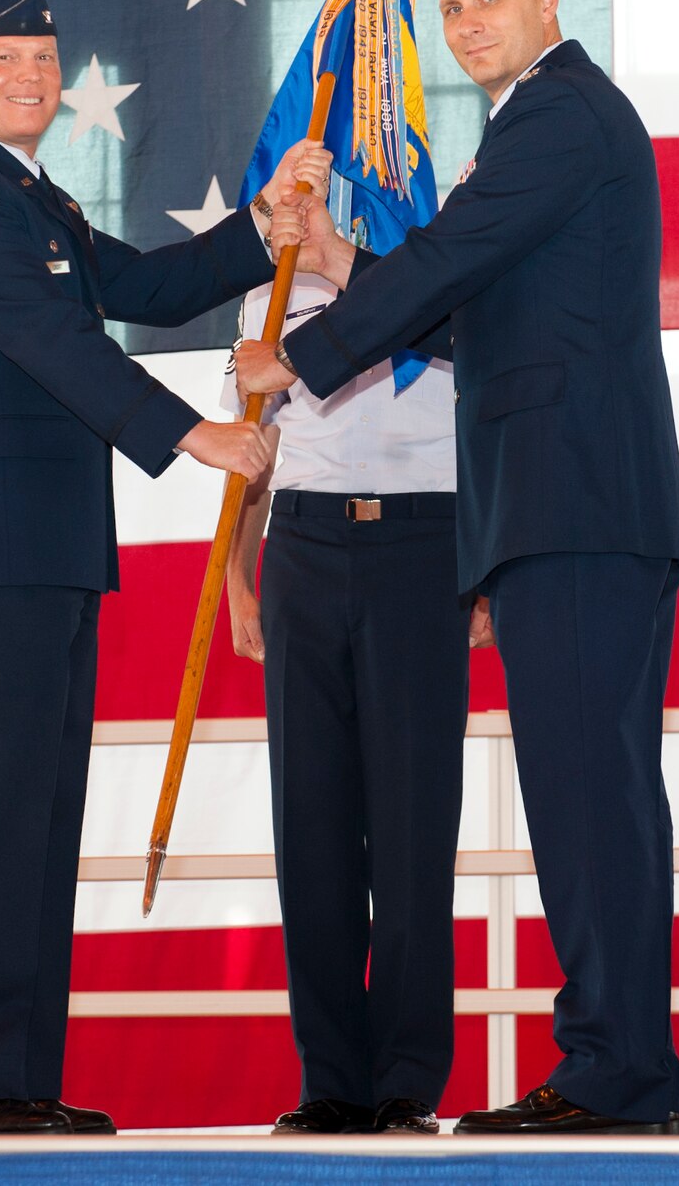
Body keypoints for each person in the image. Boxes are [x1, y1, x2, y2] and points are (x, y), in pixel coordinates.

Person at [237, 0, 679, 1135]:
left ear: (550, 1)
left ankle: (614, 1072)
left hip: (577, 504)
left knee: (590, 794)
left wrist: (303, 356)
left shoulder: (556, 115)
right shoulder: (537, 125)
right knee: (585, 791)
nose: (467, 21)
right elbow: (466, 306)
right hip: (560, 507)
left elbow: (454, 260)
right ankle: (619, 1066)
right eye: (450, 7)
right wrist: (337, 258)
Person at [0, 0, 326, 1135]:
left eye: (41, 59)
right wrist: (200, 437)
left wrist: (260, 229)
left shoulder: (34, 199)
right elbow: (54, 345)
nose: (28, 75)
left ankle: (15, 1079)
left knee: (38, 812)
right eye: (0, 61)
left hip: (47, 544)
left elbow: (137, 284)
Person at [221, 248, 473, 1137]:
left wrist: (484, 567)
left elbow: (487, 417)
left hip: (423, 539)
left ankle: (406, 1080)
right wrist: (236, 574)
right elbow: (258, 439)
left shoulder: (433, 267)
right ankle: (331, 1078)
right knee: (312, 824)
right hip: (305, 544)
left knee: (413, 825)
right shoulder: (273, 287)